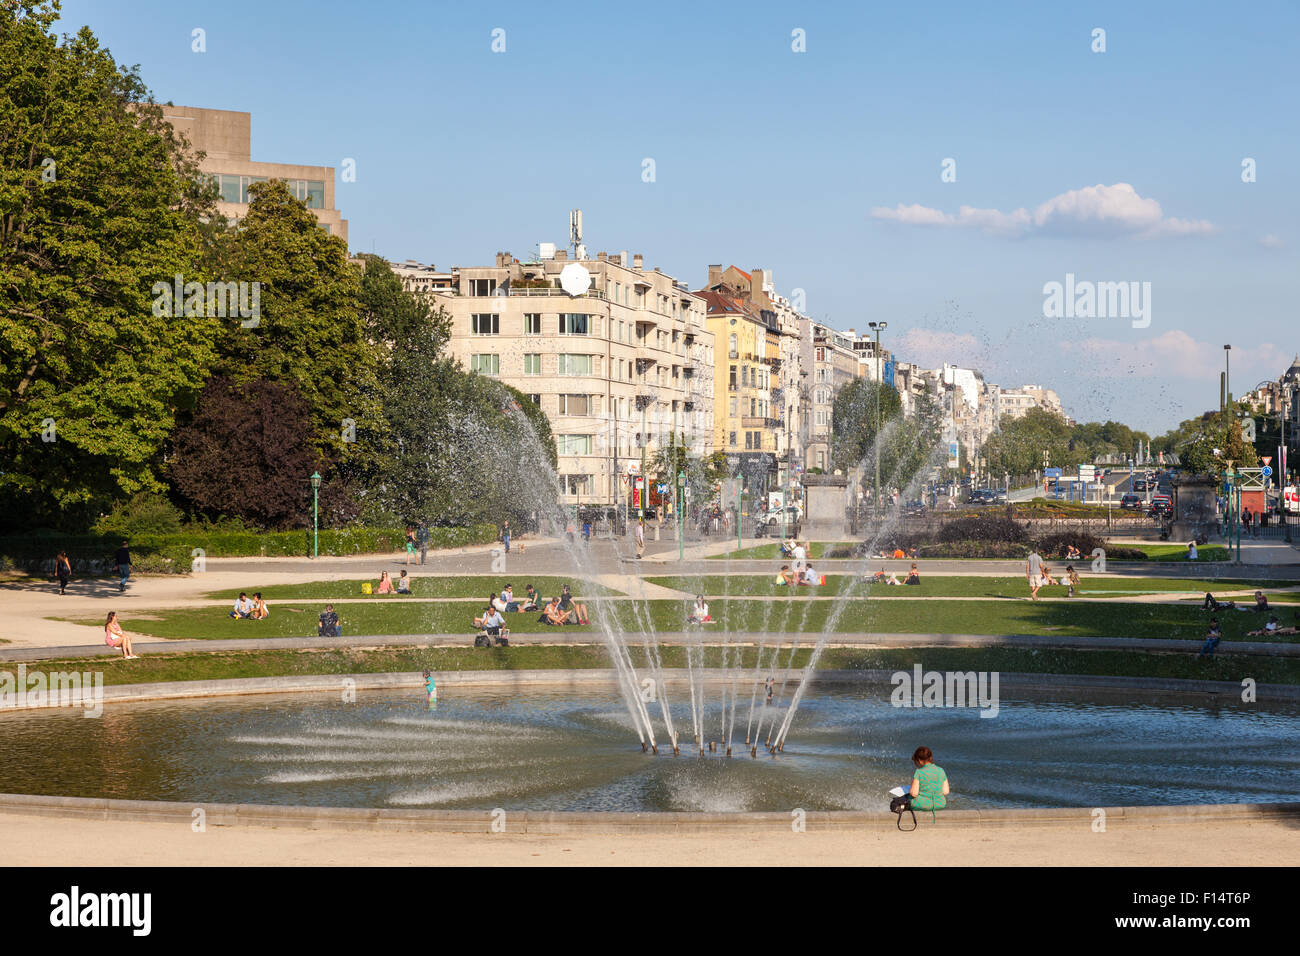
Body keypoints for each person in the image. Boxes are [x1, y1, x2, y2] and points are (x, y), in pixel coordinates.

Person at [890, 746, 949, 816]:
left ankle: (902, 808)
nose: (916, 764)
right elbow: (946, 791)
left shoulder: (919, 772)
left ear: (919, 760)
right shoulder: (941, 770)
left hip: (922, 804)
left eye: (915, 762)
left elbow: (914, 793)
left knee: (895, 802)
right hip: (940, 804)